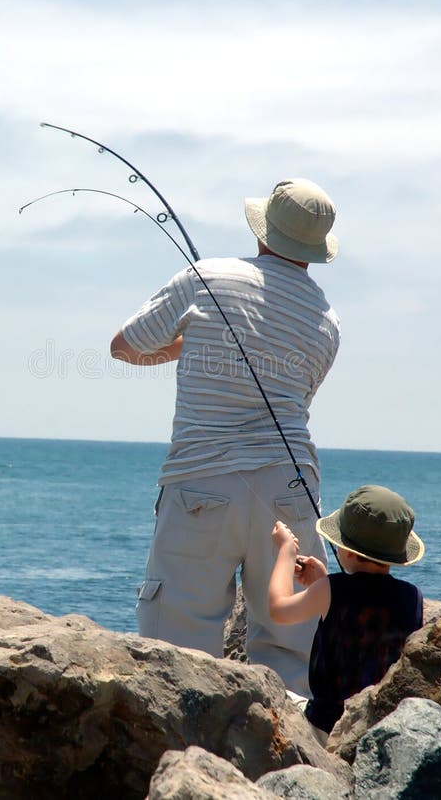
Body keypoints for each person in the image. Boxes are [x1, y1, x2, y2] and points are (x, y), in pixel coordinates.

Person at [110, 178, 341, 695]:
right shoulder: (328, 320)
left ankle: (187, 764)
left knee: (178, 649)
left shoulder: (207, 275)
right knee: (290, 652)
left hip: (202, 482)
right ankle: (293, 769)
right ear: (315, 249)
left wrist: (183, 345)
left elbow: (124, 346)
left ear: (263, 230)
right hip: (288, 487)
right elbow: (293, 398)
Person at [268, 484, 424, 743]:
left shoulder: (332, 589)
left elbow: (279, 609)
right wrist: (321, 582)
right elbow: (364, 619)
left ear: (348, 551)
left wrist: (286, 552)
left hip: (326, 728)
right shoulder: (413, 597)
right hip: (380, 725)